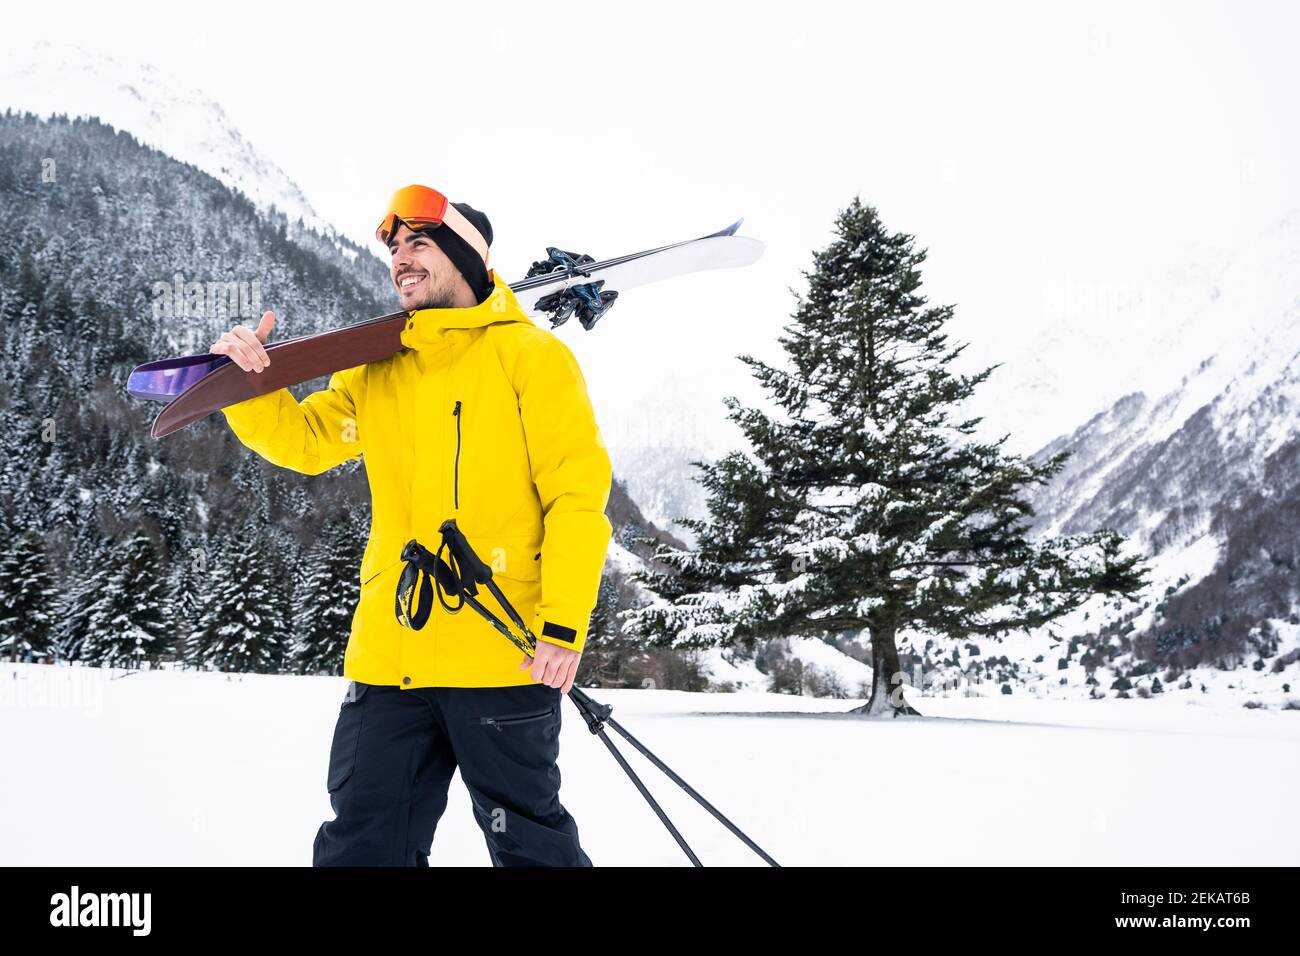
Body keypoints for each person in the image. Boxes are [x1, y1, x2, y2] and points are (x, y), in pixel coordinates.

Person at [210, 184, 613, 866]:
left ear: (465, 257)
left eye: (419, 243)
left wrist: (564, 625)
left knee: (531, 849)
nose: (401, 259)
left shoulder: (532, 359)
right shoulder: (379, 370)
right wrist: (252, 387)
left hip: (502, 655)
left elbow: (576, 498)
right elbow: (309, 441)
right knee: (364, 847)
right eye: (395, 249)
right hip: (392, 656)